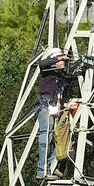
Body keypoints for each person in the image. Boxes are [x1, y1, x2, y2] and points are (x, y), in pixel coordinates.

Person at [36, 46, 70, 177]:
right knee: (47, 135)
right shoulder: (47, 71)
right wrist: (58, 58)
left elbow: (70, 80)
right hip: (45, 104)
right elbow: (42, 63)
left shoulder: (59, 76)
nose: (63, 63)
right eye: (61, 60)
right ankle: (42, 169)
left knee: (58, 137)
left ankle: (52, 166)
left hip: (55, 106)